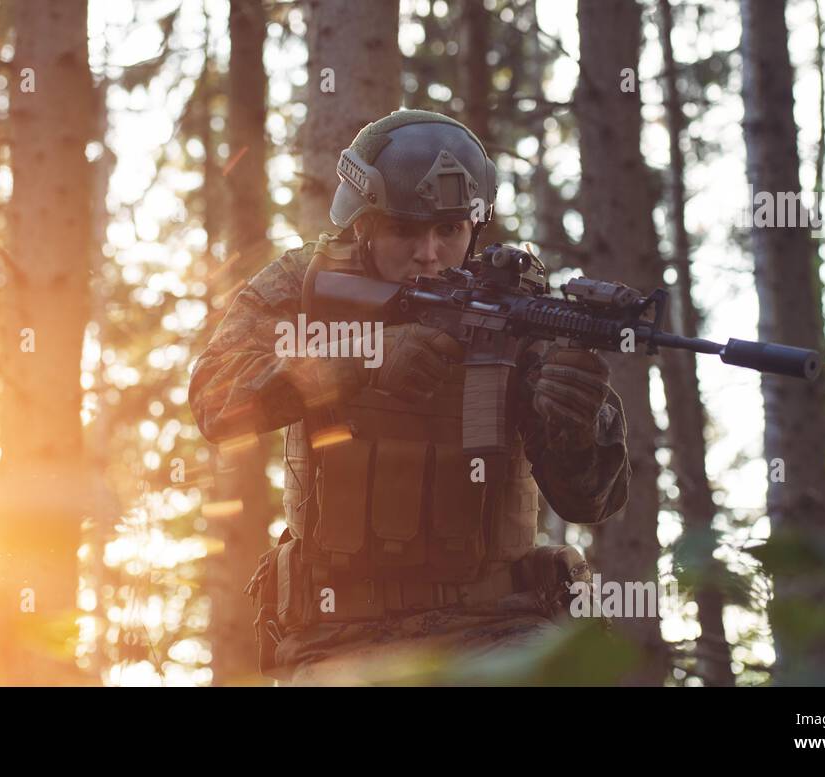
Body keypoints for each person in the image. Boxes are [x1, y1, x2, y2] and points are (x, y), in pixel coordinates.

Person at [188, 109, 630, 685]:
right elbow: (214, 400)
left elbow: (589, 502)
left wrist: (576, 417)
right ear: (364, 225)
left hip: (497, 627)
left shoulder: (521, 310)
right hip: (335, 634)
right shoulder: (304, 286)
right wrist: (358, 359)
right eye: (405, 229)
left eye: (449, 230)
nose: (429, 252)